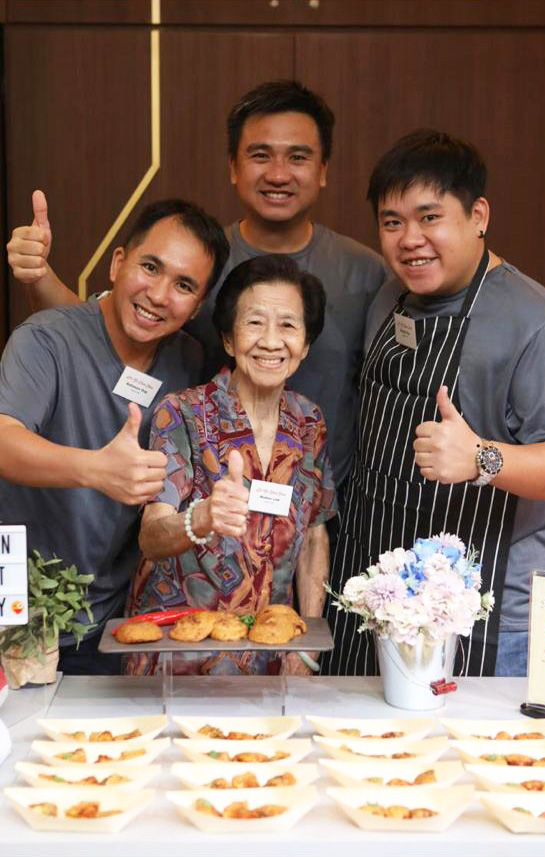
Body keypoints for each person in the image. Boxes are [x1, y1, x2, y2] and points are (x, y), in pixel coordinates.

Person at [7, 80, 395, 494]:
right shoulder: (198, 260)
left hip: (320, 507)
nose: (278, 173)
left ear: (322, 171)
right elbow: (97, 333)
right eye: (260, 155)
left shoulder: (367, 273)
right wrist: (39, 275)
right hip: (202, 507)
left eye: (298, 157)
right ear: (233, 166)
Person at [323, 129, 545, 678]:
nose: (410, 239)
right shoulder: (391, 295)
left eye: (429, 217)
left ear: (478, 215)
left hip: (492, 611)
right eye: (392, 222)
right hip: (382, 588)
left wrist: (483, 457)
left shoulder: (536, 323)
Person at [0, 198, 229, 674]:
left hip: (111, 620)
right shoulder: (45, 339)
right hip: (23, 614)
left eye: (184, 285)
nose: (160, 294)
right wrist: (97, 469)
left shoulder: (187, 361)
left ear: (198, 306)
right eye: (150, 267)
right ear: (118, 261)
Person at [125, 254, 337, 677]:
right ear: (228, 338)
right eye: (255, 322)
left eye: (289, 326)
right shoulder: (182, 413)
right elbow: (151, 536)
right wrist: (202, 517)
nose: (272, 341)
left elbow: (315, 535)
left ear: (306, 345)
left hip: (271, 653)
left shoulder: (309, 421)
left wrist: (306, 646)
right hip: (180, 653)